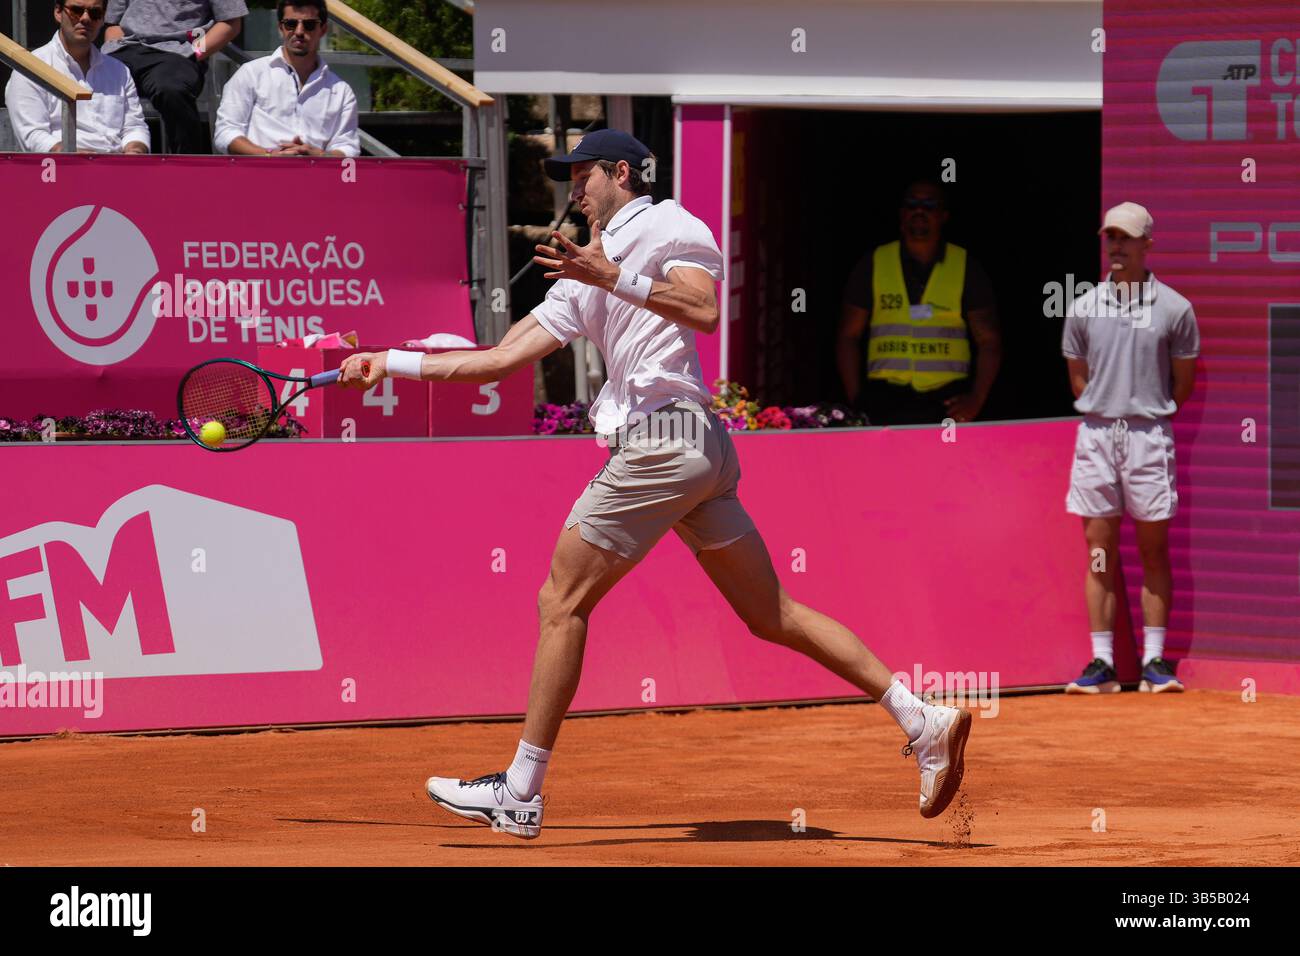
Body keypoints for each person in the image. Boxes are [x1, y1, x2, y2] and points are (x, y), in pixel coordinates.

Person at [338, 129, 973, 839]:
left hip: (666, 440)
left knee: (560, 599)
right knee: (772, 614)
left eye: (581, 175)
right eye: (566, 178)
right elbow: (498, 360)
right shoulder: (583, 268)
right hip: (696, 452)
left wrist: (608, 276)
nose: (571, 190)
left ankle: (520, 790)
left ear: (620, 173)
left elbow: (703, 311)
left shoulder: (671, 223)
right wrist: (385, 362)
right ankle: (923, 720)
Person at [1061, 202, 1199, 695]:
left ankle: (1155, 663)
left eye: (1126, 237)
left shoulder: (1175, 309)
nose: (1116, 245)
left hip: (1148, 437)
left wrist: (1144, 410)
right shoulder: (1082, 307)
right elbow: (1079, 381)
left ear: (1147, 245)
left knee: (1153, 549)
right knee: (1099, 550)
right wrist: (1108, 407)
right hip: (1097, 436)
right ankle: (1101, 664)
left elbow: (1180, 386)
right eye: (1110, 237)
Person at [838, 181, 1001, 425]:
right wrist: (858, 401)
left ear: (944, 215)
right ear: (902, 213)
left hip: (947, 402)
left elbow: (989, 341)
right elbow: (847, 337)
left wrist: (976, 398)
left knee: (947, 464)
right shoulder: (874, 263)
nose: (919, 211)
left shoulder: (965, 266)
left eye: (929, 205)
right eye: (912, 204)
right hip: (885, 400)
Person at [213, 1, 359, 158]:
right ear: (280, 28)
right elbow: (225, 133)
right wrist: (268, 155)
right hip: (259, 175)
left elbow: (348, 146)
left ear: (323, 29)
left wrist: (321, 157)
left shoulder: (341, 90)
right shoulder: (250, 74)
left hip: (316, 178)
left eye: (309, 25)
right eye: (290, 24)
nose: (299, 31)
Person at [103, 0, 247, 154]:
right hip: (126, 47)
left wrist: (193, 53)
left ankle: (187, 165)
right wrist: (113, 45)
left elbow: (231, 22)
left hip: (177, 51)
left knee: (171, 90)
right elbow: (113, 22)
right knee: (91, 82)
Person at [5, 0, 149, 154]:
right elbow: (33, 135)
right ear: (58, 12)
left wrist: (135, 151)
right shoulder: (30, 69)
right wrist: (75, 157)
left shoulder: (119, 70)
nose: (85, 18)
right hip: (60, 171)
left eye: (95, 13)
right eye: (76, 10)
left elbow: (134, 126)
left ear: (102, 19)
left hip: (117, 168)